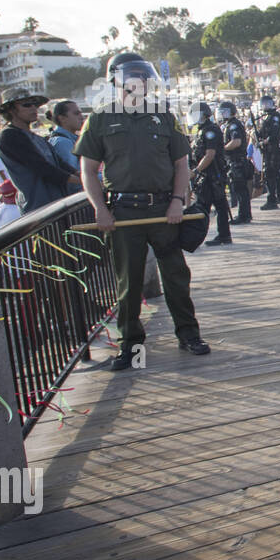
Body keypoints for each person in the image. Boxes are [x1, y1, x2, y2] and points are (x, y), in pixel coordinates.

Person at [74, 51, 210, 371]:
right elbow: (88, 171)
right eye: (134, 75)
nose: (141, 82)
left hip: (163, 210)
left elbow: (181, 164)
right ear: (117, 80)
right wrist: (101, 210)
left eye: (144, 76)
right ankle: (131, 346)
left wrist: (178, 200)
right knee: (128, 283)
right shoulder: (100, 119)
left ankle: (189, 334)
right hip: (122, 212)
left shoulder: (164, 116)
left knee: (176, 277)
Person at [0, 88, 81, 212]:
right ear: (11, 109)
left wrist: (84, 176)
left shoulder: (38, 139)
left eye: (35, 104)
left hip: (57, 204)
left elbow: (60, 164)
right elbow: (42, 167)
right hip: (39, 209)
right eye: (27, 105)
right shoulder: (9, 136)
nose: (34, 108)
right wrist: (83, 181)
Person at [190, 100, 233, 246]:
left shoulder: (210, 130)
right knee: (212, 206)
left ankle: (219, 236)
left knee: (207, 207)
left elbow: (210, 154)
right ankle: (222, 235)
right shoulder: (202, 130)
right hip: (208, 175)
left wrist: (196, 171)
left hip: (212, 175)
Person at [218, 100, 253, 225]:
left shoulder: (233, 125)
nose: (222, 114)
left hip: (237, 161)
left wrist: (222, 148)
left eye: (224, 112)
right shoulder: (230, 124)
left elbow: (236, 142)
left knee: (240, 190)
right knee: (239, 190)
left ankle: (244, 216)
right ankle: (244, 214)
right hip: (235, 161)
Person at [256, 95, 280, 210]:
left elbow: (274, 135)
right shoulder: (267, 116)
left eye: (266, 103)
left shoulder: (274, 117)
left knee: (270, 174)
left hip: (272, 149)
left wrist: (263, 142)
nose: (264, 105)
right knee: (274, 174)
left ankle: (271, 200)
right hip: (268, 149)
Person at [47, 98, 86, 173]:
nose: (82, 117)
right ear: (62, 118)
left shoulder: (69, 139)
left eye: (81, 113)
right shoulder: (62, 143)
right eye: (76, 114)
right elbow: (73, 176)